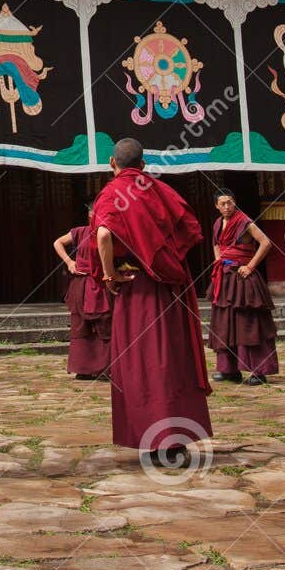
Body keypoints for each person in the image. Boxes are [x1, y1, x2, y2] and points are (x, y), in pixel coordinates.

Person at [92, 138, 212, 468]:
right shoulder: (159, 190)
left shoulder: (112, 194)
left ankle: (153, 438)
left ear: (112, 163)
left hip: (136, 289)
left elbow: (103, 235)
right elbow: (189, 228)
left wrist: (109, 274)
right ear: (143, 165)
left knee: (143, 363)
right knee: (170, 359)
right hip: (169, 289)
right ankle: (175, 441)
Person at [207, 190, 279, 385]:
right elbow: (216, 244)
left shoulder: (244, 222)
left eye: (230, 202)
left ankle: (258, 371)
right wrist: (219, 261)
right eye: (222, 203)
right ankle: (229, 369)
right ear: (216, 206)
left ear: (235, 202)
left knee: (248, 323)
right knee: (225, 322)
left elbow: (266, 243)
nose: (227, 207)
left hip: (243, 277)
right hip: (224, 277)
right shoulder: (217, 223)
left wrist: (250, 266)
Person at [53, 203, 111, 379]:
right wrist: (69, 262)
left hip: (101, 284)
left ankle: (105, 368)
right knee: (81, 324)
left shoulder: (109, 232)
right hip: (81, 284)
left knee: (104, 323)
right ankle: (84, 369)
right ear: (90, 215)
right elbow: (57, 242)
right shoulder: (80, 232)